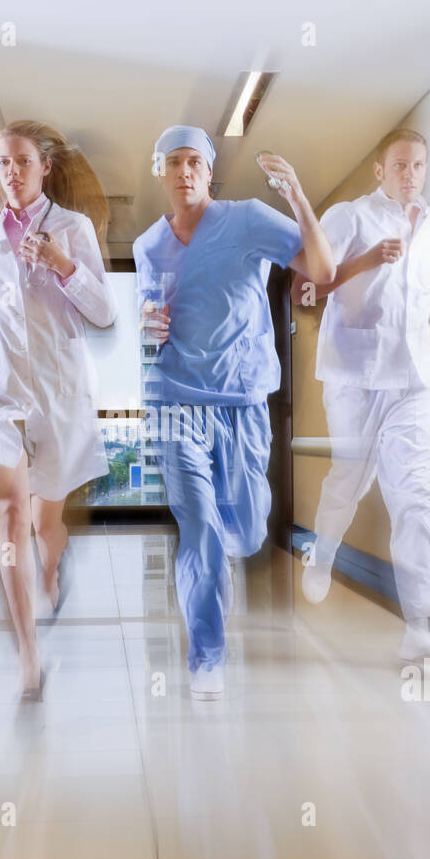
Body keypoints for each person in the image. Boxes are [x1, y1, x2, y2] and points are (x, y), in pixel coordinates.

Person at [135, 125, 335, 700]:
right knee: (197, 527)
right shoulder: (149, 246)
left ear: (210, 169)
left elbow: (320, 272)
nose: (184, 171)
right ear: (160, 172)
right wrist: (151, 326)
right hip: (175, 400)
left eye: (194, 161)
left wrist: (297, 196)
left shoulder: (247, 218)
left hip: (243, 402)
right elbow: (152, 320)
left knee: (245, 531)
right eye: (173, 161)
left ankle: (219, 560)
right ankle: (207, 656)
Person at [0, 120, 115, 701]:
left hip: (56, 393)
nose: (12, 172)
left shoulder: (72, 227)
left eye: (23, 162)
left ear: (44, 168)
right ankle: (29, 659)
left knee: (42, 524)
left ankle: (52, 566)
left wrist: (63, 264)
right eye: (4, 164)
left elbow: (104, 312)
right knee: (11, 511)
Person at [291, 127, 430, 662]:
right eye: (400, 165)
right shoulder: (349, 216)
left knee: (414, 494)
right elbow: (308, 286)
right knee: (349, 480)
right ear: (379, 170)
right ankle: (322, 555)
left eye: (418, 166)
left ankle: (421, 626)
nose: (410, 175)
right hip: (356, 376)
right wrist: (367, 261)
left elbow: (421, 287)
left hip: (415, 379)